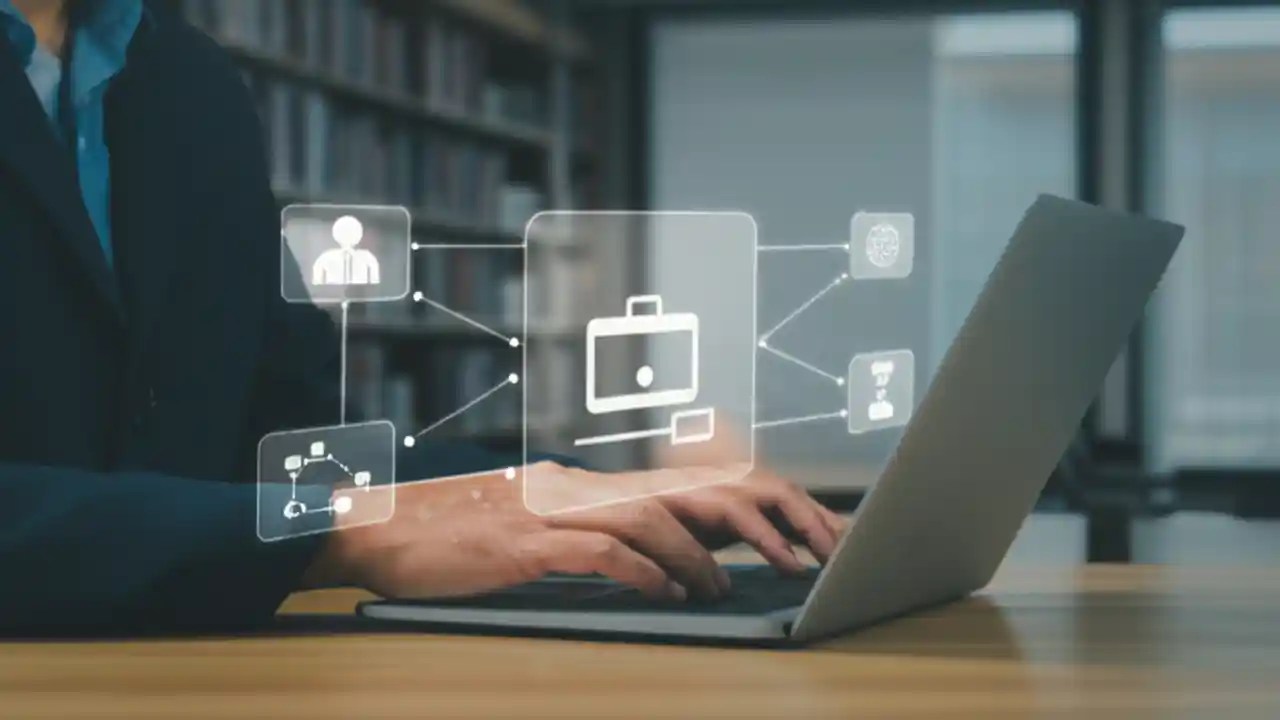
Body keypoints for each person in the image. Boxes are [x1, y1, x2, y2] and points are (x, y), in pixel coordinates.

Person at [0, 0, 843, 635]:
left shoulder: (190, 85)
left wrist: (572, 490)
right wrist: (342, 535)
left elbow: (292, 445)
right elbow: (322, 511)